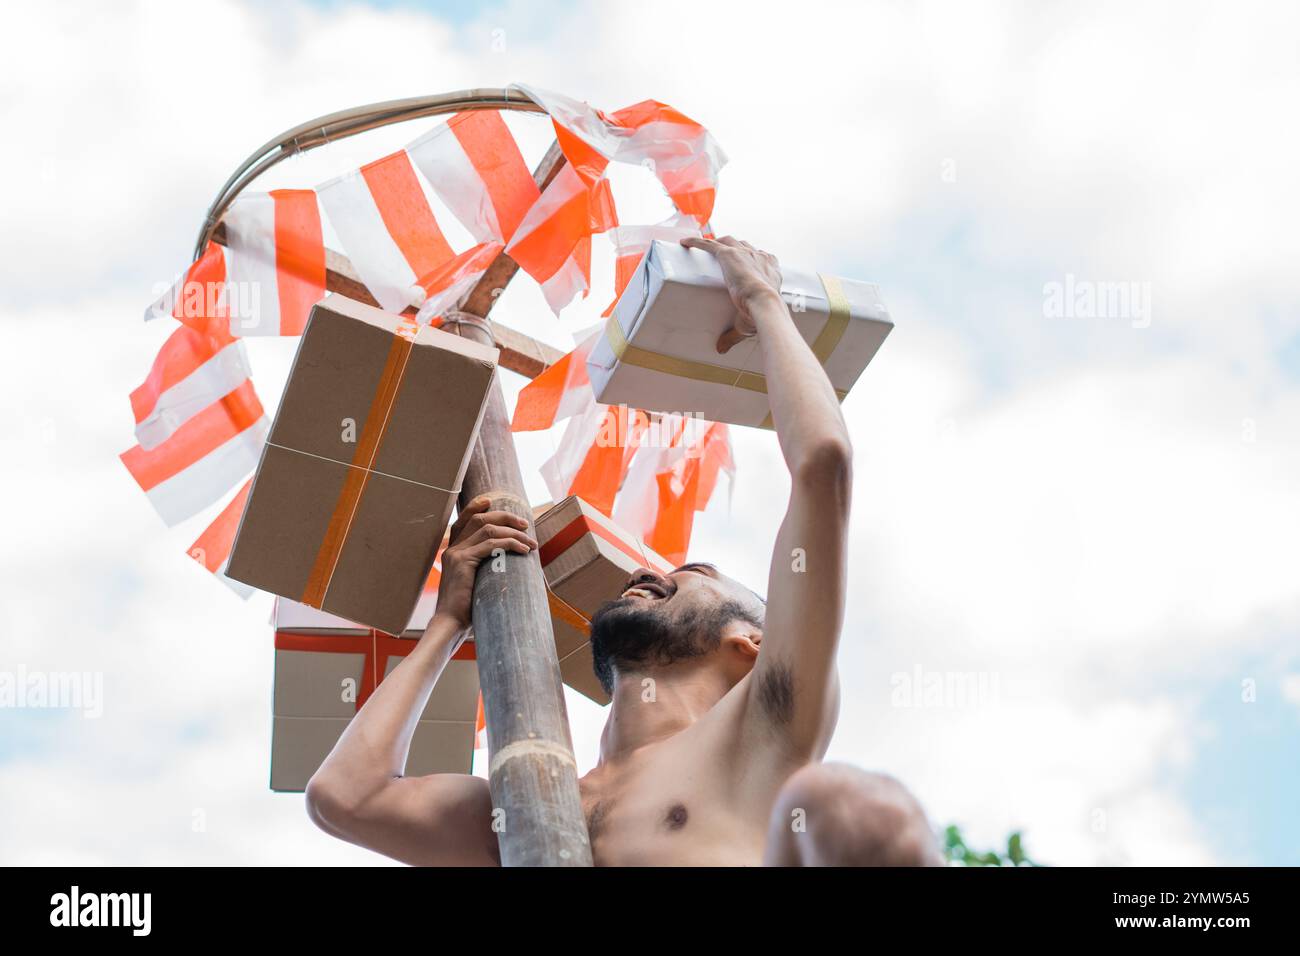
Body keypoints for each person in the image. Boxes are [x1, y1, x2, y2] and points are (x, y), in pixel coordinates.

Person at [305, 236, 944, 866]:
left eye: (691, 572)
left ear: (750, 646)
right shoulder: (531, 801)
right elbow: (345, 797)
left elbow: (823, 465)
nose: (644, 570)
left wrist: (762, 301)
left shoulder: (763, 738)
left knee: (847, 805)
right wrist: (449, 620)